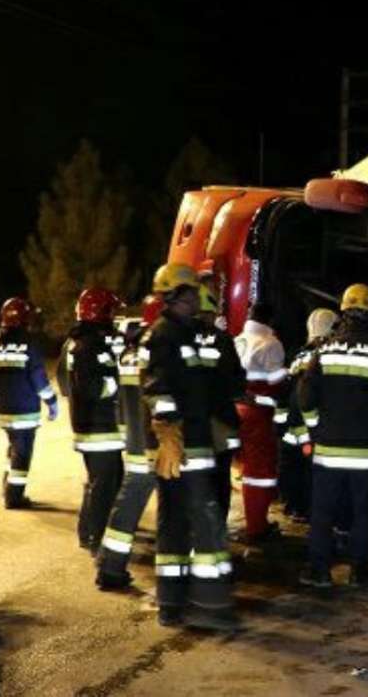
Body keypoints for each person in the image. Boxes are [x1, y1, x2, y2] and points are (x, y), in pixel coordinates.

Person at [141, 263, 237, 630]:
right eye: (193, 291)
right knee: (204, 518)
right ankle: (210, 603)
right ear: (177, 296)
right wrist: (169, 433)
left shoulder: (185, 333)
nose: (199, 296)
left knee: (179, 521)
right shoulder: (163, 337)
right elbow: (157, 391)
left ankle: (173, 601)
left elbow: (202, 386)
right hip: (181, 445)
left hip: (194, 440)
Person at [297, 284, 368, 588]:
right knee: (364, 512)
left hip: (327, 451)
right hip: (366, 454)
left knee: (322, 512)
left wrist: (315, 428)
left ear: (343, 314)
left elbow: (305, 397)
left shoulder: (324, 349)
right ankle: (360, 571)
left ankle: (319, 570)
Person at [95, 294, 165, 591]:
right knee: (173, 508)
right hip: (160, 444)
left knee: (126, 507)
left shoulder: (128, 352)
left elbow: (121, 403)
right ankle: (175, 577)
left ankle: (110, 567)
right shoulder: (162, 349)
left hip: (136, 443)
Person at [60, 288, 126, 555]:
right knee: (105, 483)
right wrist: (121, 386)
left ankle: (90, 531)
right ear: (104, 313)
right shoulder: (88, 345)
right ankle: (96, 537)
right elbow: (92, 386)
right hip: (99, 428)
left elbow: (65, 383)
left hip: (92, 425)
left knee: (103, 480)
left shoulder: (78, 342)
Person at [0, 297, 58, 509]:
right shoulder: (28, 345)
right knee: (22, 454)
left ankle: (7, 487)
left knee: (14, 448)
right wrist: (52, 402)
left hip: (4, 411)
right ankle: (14, 497)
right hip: (25, 411)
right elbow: (39, 379)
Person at [232, 304, 286, 543]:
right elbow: (275, 381)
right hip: (258, 413)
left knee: (244, 467)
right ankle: (257, 526)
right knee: (260, 471)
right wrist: (289, 372)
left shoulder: (238, 339)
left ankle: (254, 522)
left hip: (236, 410)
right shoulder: (270, 342)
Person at [281, 308, 338, 521]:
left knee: (296, 467)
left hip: (295, 427)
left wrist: (282, 425)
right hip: (315, 426)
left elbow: (286, 392)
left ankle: (295, 506)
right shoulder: (327, 353)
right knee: (312, 471)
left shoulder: (299, 354)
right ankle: (310, 509)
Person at [196, 281, 243, 525]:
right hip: (218, 424)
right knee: (218, 482)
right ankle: (214, 534)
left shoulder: (180, 337)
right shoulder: (221, 340)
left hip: (190, 424)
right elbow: (236, 381)